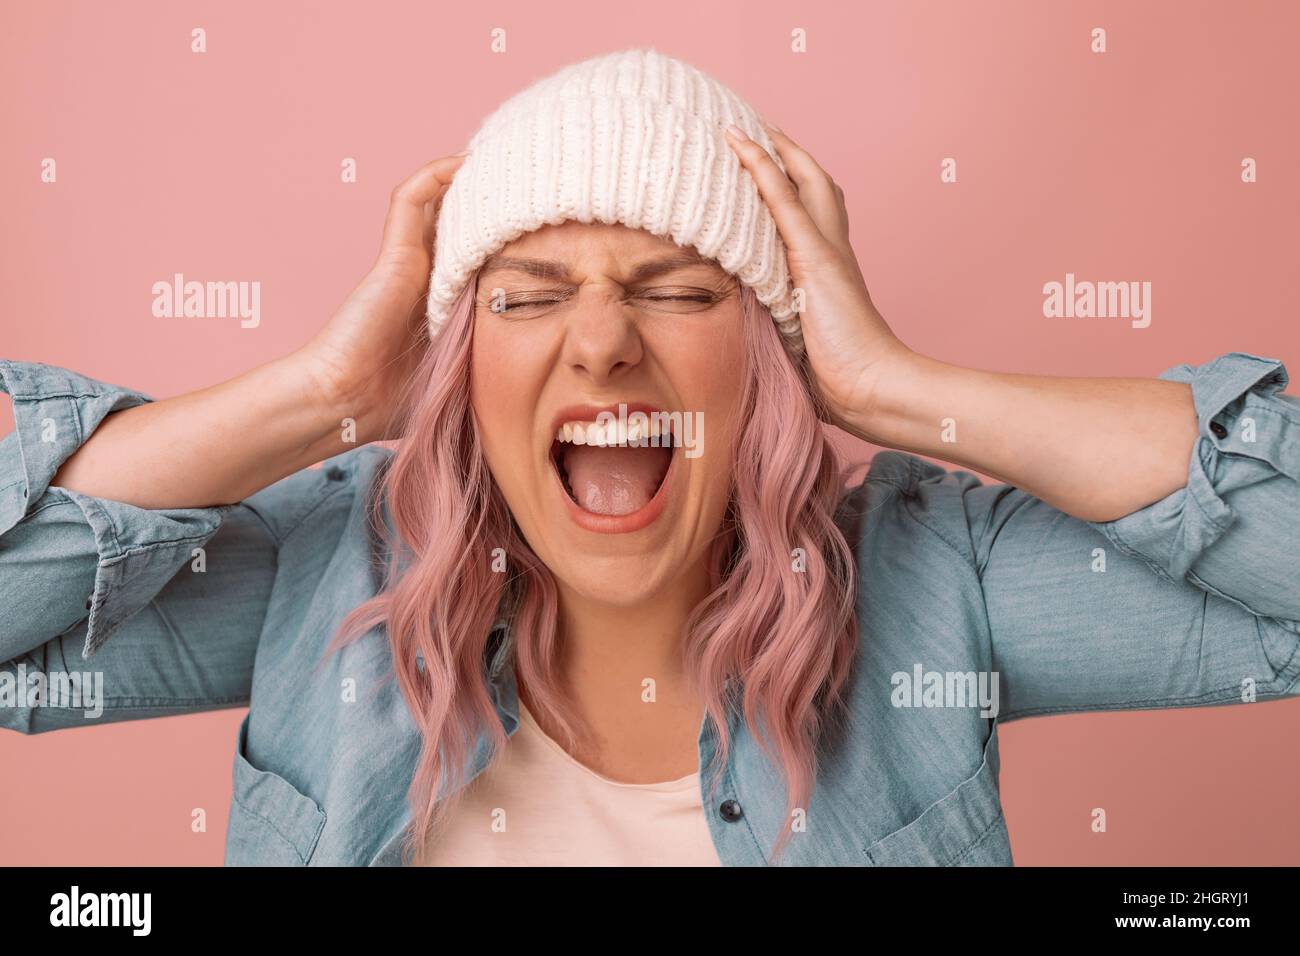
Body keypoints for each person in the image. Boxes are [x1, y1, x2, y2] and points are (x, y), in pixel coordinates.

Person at [2, 48, 1297, 867]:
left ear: (769, 366)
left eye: (680, 291)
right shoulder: (331, 581)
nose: (605, 343)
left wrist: (902, 392)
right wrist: (326, 394)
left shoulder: (928, 585)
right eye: (530, 296)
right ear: (463, 368)